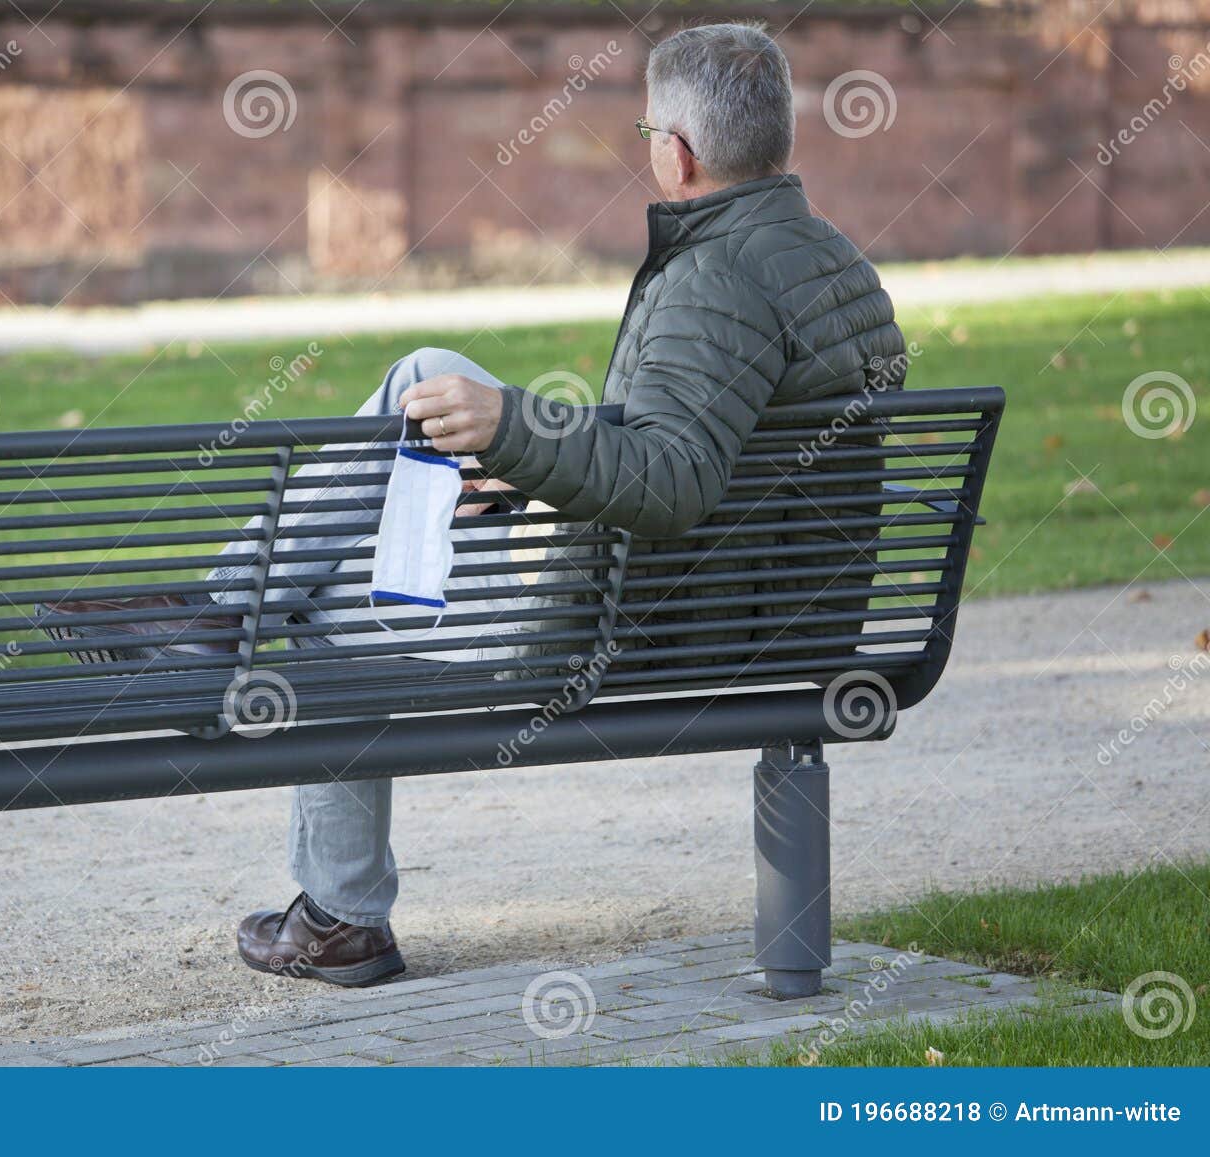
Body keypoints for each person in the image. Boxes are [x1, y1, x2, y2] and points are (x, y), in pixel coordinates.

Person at [120, 23, 906, 986]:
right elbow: (713, 440)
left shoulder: (717, 276)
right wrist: (529, 467)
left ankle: (335, 905)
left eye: (649, 126)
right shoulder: (830, 261)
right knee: (427, 377)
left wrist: (511, 429)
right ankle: (226, 613)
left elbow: (673, 481)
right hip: (774, 620)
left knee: (314, 611)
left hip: (632, 634)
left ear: (680, 151)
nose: (648, 141)